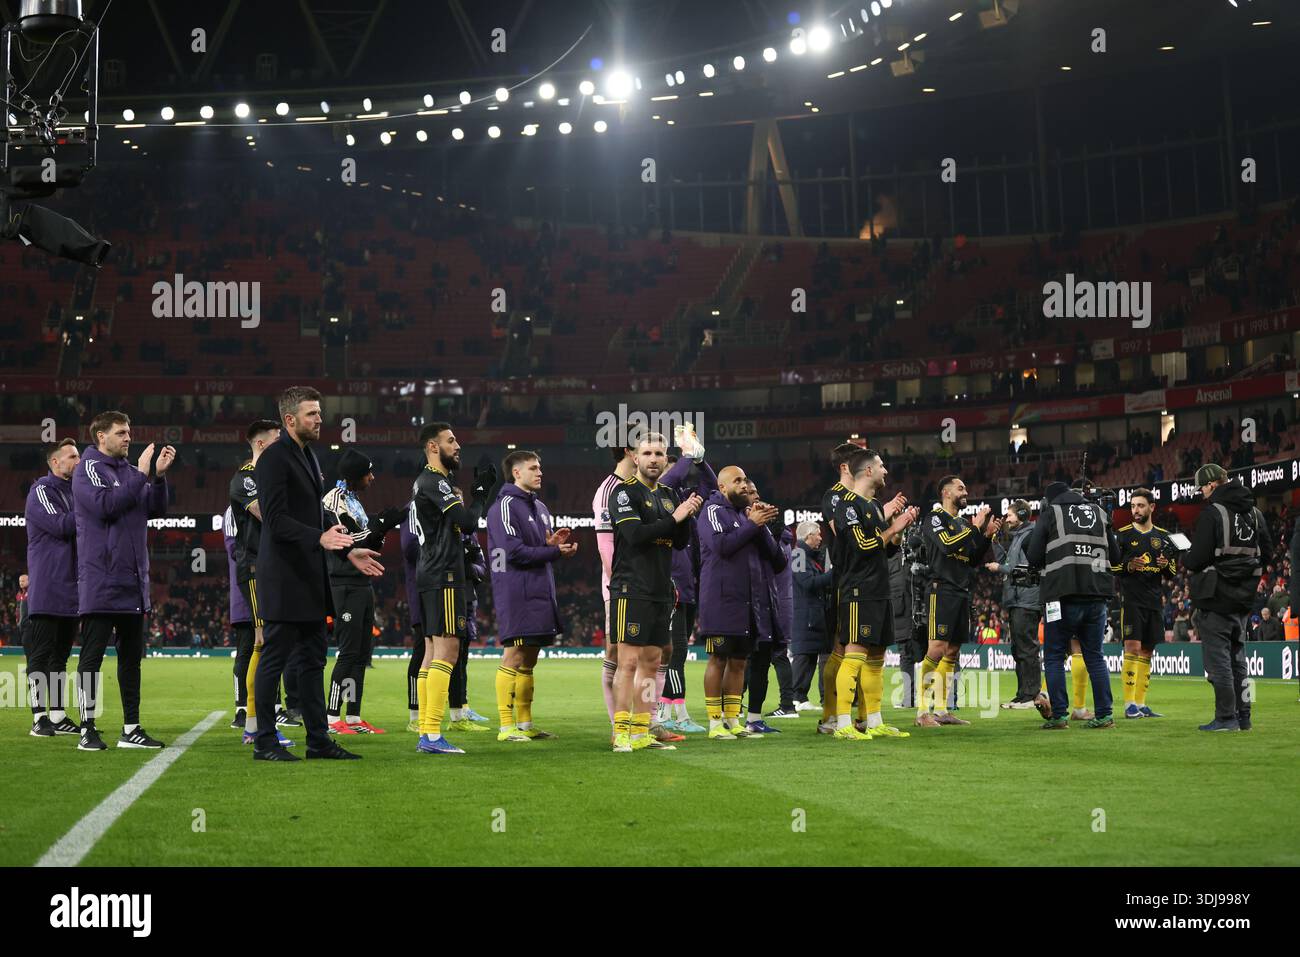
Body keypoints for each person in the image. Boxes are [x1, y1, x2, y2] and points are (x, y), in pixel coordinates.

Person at [251, 387, 383, 762]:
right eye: (311, 414)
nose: (319, 419)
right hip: (282, 575)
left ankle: (318, 741)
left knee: (313, 659)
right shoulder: (274, 458)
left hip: (309, 576)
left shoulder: (308, 455)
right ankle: (264, 742)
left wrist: (348, 548)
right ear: (290, 420)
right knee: (275, 658)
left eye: (319, 413)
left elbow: (316, 515)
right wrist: (319, 538)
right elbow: (274, 520)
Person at [73, 411, 174, 752]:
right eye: (120, 432)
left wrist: (157, 478)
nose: (128, 437)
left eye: (129, 431)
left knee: (131, 660)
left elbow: (156, 510)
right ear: (100, 436)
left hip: (133, 583)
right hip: (101, 581)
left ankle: (131, 727)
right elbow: (106, 506)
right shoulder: (87, 470)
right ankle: (87, 727)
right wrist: (142, 474)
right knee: (92, 658)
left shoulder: (133, 473)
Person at [609, 432, 702, 752]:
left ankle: (640, 730)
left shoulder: (668, 494)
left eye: (660, 454)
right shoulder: (623, 493)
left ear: (666, 459)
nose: (654, 459)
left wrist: (686, 515)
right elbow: (634, 535)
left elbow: (679, 542)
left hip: (662, 589)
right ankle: (620, 730)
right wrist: (676, 516)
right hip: (631, 588)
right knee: (629, 662)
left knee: (651, 660)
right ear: (635, 457)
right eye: (647, 453)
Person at [411, 422, 496, 755]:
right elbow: (467, 522)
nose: (457, 445)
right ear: (433, 447)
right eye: (451, 440)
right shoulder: (434, 481)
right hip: (444, 574)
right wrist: (481, 494)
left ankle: (426, 731)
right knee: (446, 652)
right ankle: (431, 735)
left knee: (432, 653)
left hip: (431, 572)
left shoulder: (427, 482)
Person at [829, 448, 918, 740]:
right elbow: (862, 546)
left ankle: (874, 721)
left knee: (877, 658)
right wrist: (894, 525)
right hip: (858, 589)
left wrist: (898, 531)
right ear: (867, 471)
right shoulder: (847, 505)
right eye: (881, 466)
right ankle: (842, 724)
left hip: (879, 589)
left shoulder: (874, 505)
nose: (885, 471)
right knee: (854, 655)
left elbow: (886, 548)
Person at [487, 450, 574, 742]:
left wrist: (551, 544)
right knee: (514, 655)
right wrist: (552, 551)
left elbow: (535, 547)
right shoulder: (505, 506)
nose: (540, 473)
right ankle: (505, 726)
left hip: (540, 588)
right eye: (533, 468)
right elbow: (512, 552)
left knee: (530, 659)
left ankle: (524, 723)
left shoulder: (540, 507)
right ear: (516, 473)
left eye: (540, 467)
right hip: (517, 590)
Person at [1182, 464, 1272, 732]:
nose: (1201, 493)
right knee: (1238, 659)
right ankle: (1244, 716)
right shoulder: (1255, 513)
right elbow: (1266, 553)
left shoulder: (1213, 513)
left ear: (1212, 484)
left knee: (1218, 660)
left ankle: (1225, 718)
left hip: (1215, 595)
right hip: (1244, 598)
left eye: (1202, 487)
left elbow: (1196, 559)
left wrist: (1186, 556)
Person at [1025, 480, 1121, 730]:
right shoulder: (1100, 513)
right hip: (1097, 596)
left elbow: (1033, 556)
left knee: (1055, 656)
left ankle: (1059, 716)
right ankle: (1105, 716)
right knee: (1095, 657)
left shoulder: (1051, 513)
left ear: (1050, 499)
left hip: (1061, 596)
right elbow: (1117, 556)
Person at [321, 448, 405, 735]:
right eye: (368, 472)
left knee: (360, 653)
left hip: (361, 582)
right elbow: (347, 543)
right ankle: (332, 718)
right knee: (347, 652)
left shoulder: (353, 502)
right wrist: (379, 527)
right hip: (342, 582)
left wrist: (381, 529)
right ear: (355, 475)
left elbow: (370, 547)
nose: (372, 477)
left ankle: (354, 717)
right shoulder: (332, 501)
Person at [229, 420, 299, 747]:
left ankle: (257, 723)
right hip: (256, 566)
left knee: (268, 642)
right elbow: (268, 514)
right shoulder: (245, 479)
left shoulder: (271, 475)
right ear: (260, 445)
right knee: (261, 640)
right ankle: (255, 724)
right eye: (276, 441)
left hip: (273, 566)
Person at [697, 465, 776, 740]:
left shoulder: (746, 515)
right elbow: (722, 546)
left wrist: (759, 524)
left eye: (745, 480)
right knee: (719, 659)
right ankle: (715, 722)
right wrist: (752, 524)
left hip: (748, 603)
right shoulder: (712, 511)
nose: (744, 485)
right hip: (721, 601)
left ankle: (733, 720)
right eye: (737, 481)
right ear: (722, 487)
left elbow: (777, 560)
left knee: (740, 661)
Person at [917, 475, 1000, 728]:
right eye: (960, 488)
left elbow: (972, 559)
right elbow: (946, 546)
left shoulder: (963, 523)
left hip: (961, 590)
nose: (966, 492)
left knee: (952, 652)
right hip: (941, 588)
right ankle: (922, 711)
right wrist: (974, 529)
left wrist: (985, 536)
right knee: (937, 647)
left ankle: (941, 709)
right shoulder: (934, 519)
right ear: (945, 492)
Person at [656, 433, 715, 734]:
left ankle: (665, 710)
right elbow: (668, 480)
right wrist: (689, 454)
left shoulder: (682, 501)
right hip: (670, 587)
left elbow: (712, 488)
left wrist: (701, 461)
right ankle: (678, 714)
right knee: (676, 651)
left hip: (688, 586)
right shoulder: (657, 495)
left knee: (679, 651)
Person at [24, 439, 81, 737]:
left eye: (79, 455)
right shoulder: (42, 491)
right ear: (55, 462)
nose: (78, 459)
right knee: (41, 654)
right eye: (72, 456)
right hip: (48, 586)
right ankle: (38, 717)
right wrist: (90, 508)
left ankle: (57, 716)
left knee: (60, 656)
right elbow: (60, 525)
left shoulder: (75, 491)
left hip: (73, 588)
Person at [1113, 489, 1178, 720]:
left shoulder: (1163, 536)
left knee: (1148, 651)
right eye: (1132, 506)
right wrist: (1129, 566)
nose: (1135, 510)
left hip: (1154, 601)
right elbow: (1111, 567)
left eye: (1140, 506)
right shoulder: (1121, 535)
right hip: (1131, 600)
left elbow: (1172, 572)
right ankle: (1129, 704)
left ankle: (1141, 703)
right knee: (1132, 647)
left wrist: (1164, 563)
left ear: (1152, 507)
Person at [740, 480, 792, 734]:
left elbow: (779, 561)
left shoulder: (765, 527)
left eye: (757, 492)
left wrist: (769, 530)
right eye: (750, 492)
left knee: (761, 662)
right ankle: (724, 717)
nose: (756, 496)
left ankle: (754, 718)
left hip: (766, 600)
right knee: (736, 662)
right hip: (739, 601)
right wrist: (752, 525)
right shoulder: (731, 520)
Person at [817, 443, 863, 731]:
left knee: (862, 650)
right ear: (846, 467)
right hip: (845, 578)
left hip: (865, 577)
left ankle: (864, 716)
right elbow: (845, 535)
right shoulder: (835, 497)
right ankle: (830, 715)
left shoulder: (860, 497)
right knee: (842, 647)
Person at [985, 500, 1046, 710]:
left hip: (1027, 600)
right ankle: (1022, 695)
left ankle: (1031, 695)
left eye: (1009, 515)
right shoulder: (1018, 537)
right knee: (1018, 648)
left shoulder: (1030, 537)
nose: (1007, 519)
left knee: (1027, 648)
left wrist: (999, 568)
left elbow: (1026, 569)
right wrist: (994, 540)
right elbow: (1006, 560)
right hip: (1016, 599)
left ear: (1020, 514)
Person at [593, 444, 636, 735]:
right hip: (622, 587)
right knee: (617, 653)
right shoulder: (609, 490)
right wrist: (620, 585)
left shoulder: (640, 488)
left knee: (646, 655)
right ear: (629, 450)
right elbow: (605, 547)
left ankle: (646, 722)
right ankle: (617, 724)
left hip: (645, 585)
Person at [790, 521, 833, 712]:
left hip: (813, 614)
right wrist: (834, 574)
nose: (820, 537)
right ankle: (794, 697)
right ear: (808, 536)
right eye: (817, 534)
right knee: (803, 656)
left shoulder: (809, 556)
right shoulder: (798, 554)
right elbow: (806, 582)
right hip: (804, 613)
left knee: (810, 655)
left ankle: (802, 697)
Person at [401, 508, 423, 732]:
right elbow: (410, 548)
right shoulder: (413, 511)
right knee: (422, 651)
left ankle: (426, 712)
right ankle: (415, 714)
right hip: (421, 592)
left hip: (436, 590)